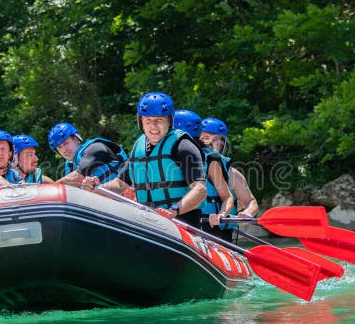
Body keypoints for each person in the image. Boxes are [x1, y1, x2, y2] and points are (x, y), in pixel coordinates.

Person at [83, 92, 207, 227]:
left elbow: (200, 190)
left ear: (169, 121)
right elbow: (120, 184)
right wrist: (97, 188)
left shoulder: (183, 145)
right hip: (148, 222)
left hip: (182, 222)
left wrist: (174, 210)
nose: (153, 126)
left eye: (159, 120)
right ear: (140, 122)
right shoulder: (138, 147)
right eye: (148, 120)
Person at [174, 110, 235, 241]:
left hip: (206, 224)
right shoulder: (162, 159)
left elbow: (227, 197)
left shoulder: (210, 162)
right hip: (173, 220)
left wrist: (221, 215)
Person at [200, 117, 259, 220]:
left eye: (215, 139)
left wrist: (248, 212)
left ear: (222, 144)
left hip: (220, 231)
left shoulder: (232, 174)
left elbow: (251, 201)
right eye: (205, 138)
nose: (209, 143)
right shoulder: (187, 168)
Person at [48, 122, 127, 187]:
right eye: (59, 147)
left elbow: (77, 177)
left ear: (76, 139)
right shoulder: (70, 167)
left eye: (66, 143)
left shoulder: (94, 149)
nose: (64, 150)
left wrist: (50, 189)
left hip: (126, 196)